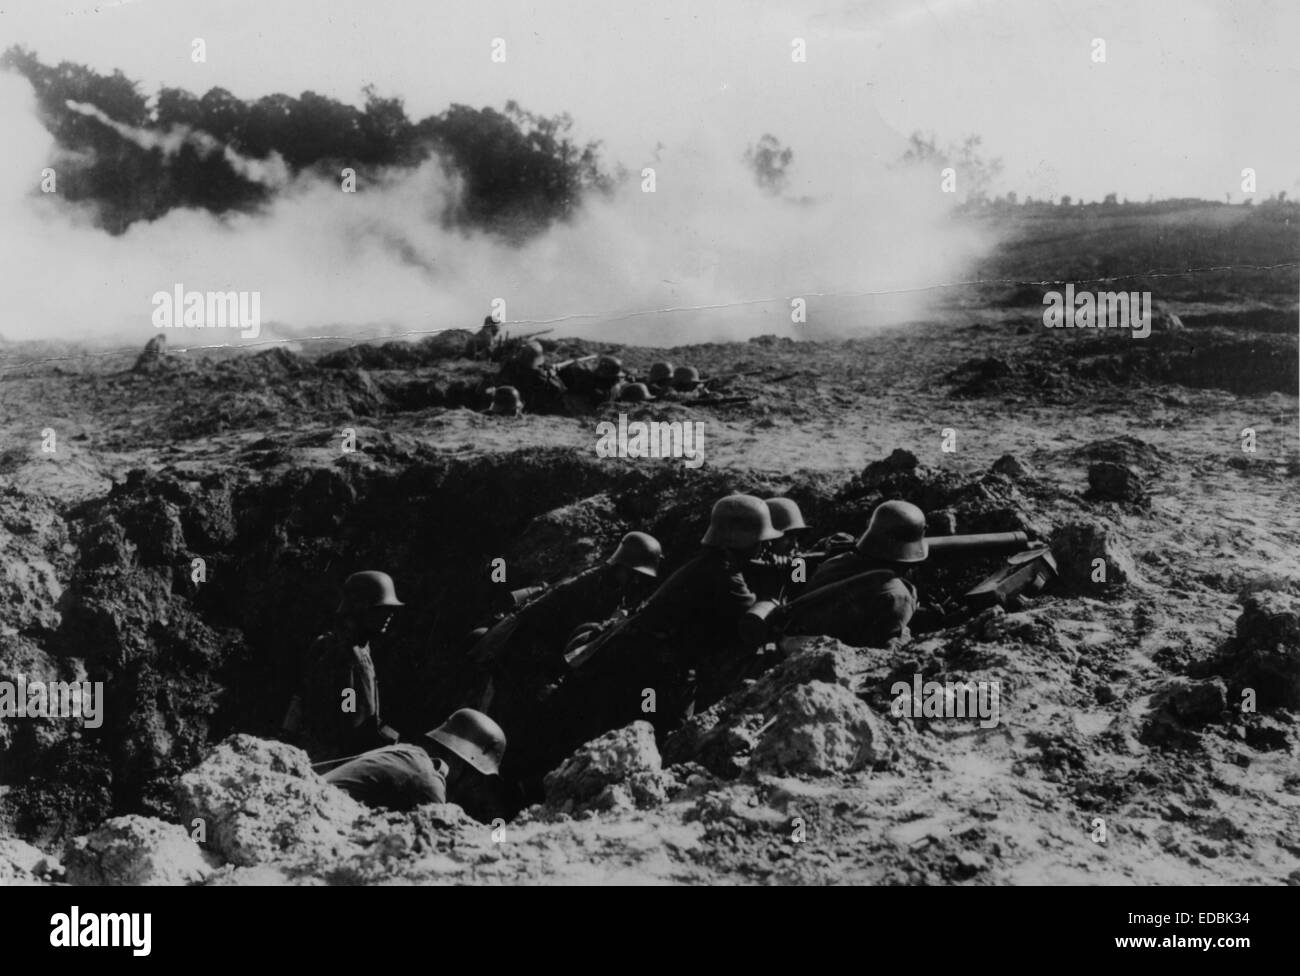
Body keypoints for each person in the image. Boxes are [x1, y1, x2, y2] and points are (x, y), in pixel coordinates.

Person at [282, 571, 404, 763]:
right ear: (361, 609)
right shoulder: (342, 652)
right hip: (331, 757)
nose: (390, 615)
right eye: (382, 608)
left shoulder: (359, 646)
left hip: (345, 751)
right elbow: (347, 707)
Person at [785, 500, 926, 647]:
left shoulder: (835, 561)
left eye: (797, 537)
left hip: (794, 640)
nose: (794, 544)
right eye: (788, 537)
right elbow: (888, 655)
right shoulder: (896, 596)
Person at [323, 708, 506, 814]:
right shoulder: (426, 779)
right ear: (460, 760)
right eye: (475, 776)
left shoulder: (411, 754)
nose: (473, 785)